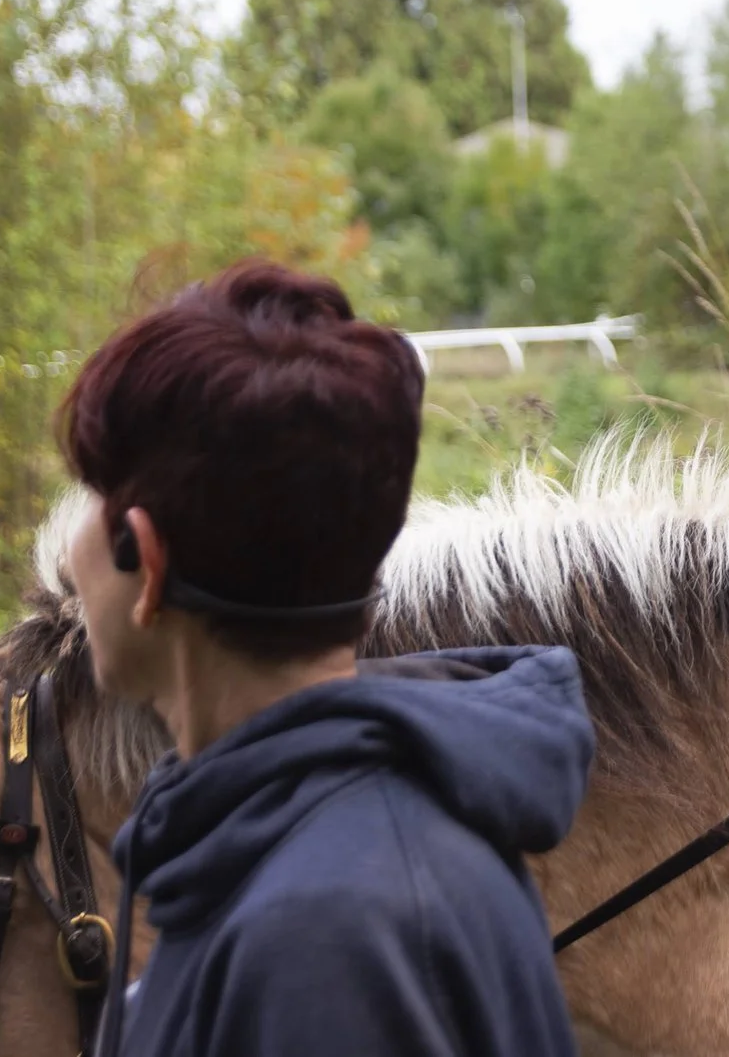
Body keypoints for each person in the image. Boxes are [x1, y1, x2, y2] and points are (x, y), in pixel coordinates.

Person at [61, 260, 592, 1057]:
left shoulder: (328, 934)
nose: (68, 559)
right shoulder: (297, 849)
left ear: (147, 560)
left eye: (88, 497)